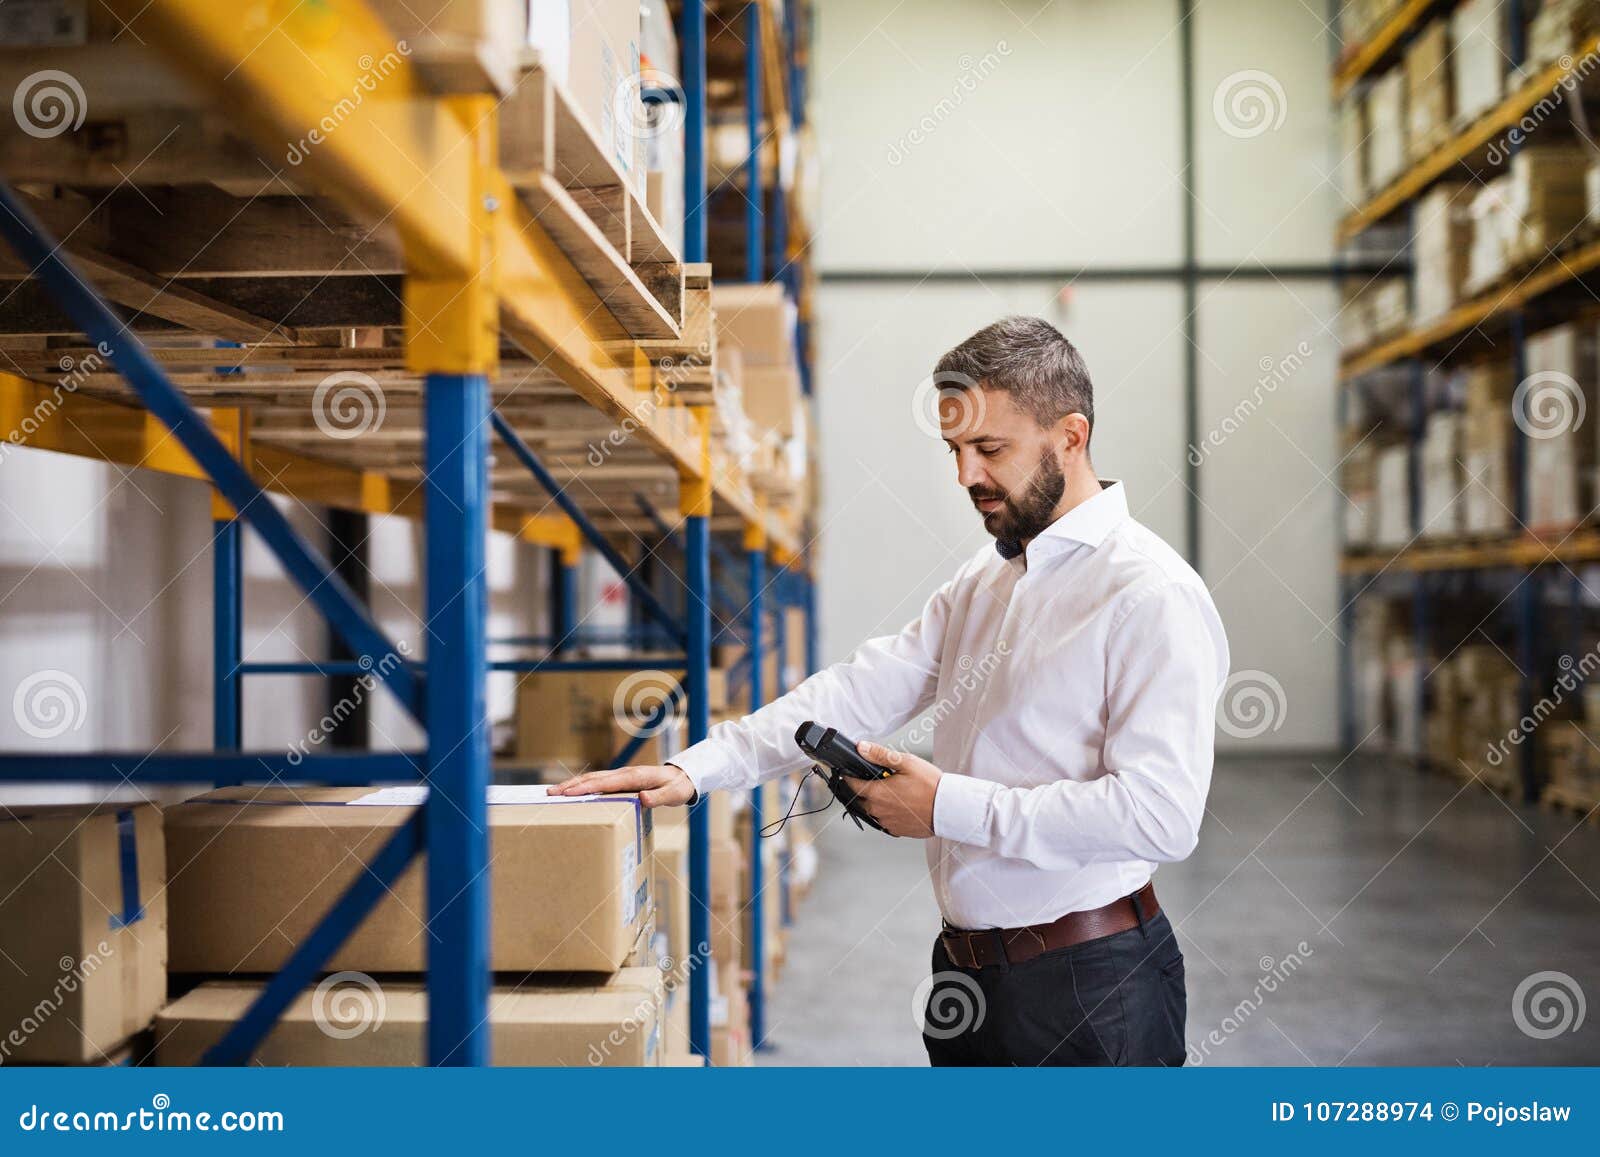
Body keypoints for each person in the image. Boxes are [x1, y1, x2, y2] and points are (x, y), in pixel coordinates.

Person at [551, 315, 1230, 1066]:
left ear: (1071, 436)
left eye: (989, 449)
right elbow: (858, 689)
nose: (966, 475)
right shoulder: (989, 579)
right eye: (955, 450)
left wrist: (944, 805)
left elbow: (1162, 815)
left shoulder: (1148, 593)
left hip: (1093, 989)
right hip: (970, 978)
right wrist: (698, 768)